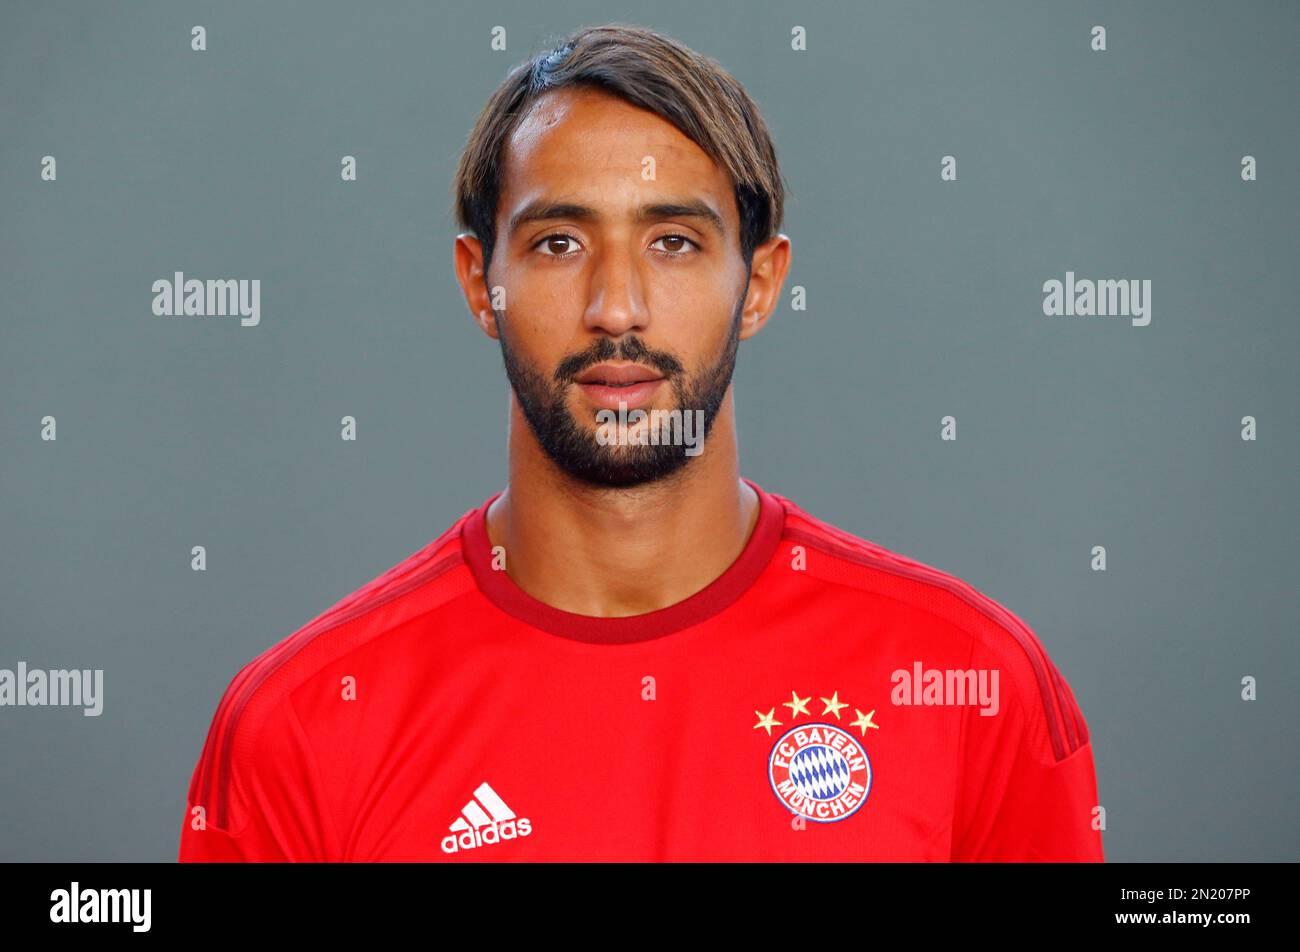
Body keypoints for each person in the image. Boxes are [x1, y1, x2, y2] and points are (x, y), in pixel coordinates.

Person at [179, 23, 1103, 862]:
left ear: (759, 284)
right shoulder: (301, 725)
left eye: (672, 242)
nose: (615, 307)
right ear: (478, 281)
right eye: (556, 244)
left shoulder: (971, 689)